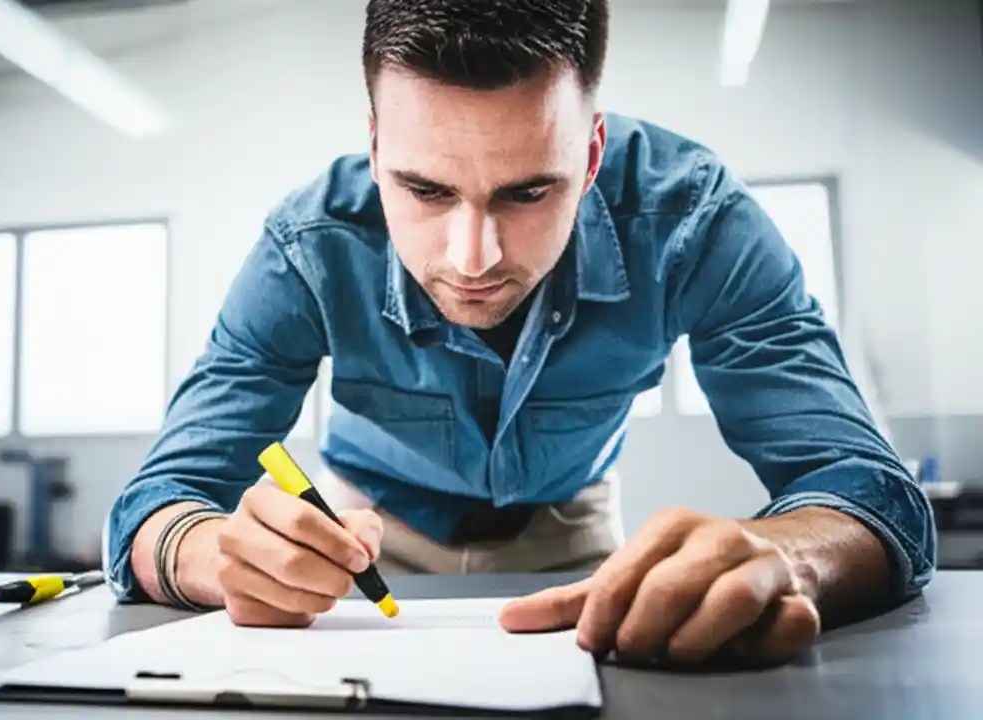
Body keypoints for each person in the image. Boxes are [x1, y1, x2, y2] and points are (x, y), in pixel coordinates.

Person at [104, 0, 934, 665]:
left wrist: (785, 555)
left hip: (574, 534)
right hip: (360, 540)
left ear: (593, 152)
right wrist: (211, 554)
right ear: (374, 144)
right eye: (425, 191)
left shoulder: (697, 223)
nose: (474, 258)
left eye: (529, 193)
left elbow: (866, 487)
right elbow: (155, 501)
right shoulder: (304, 247)